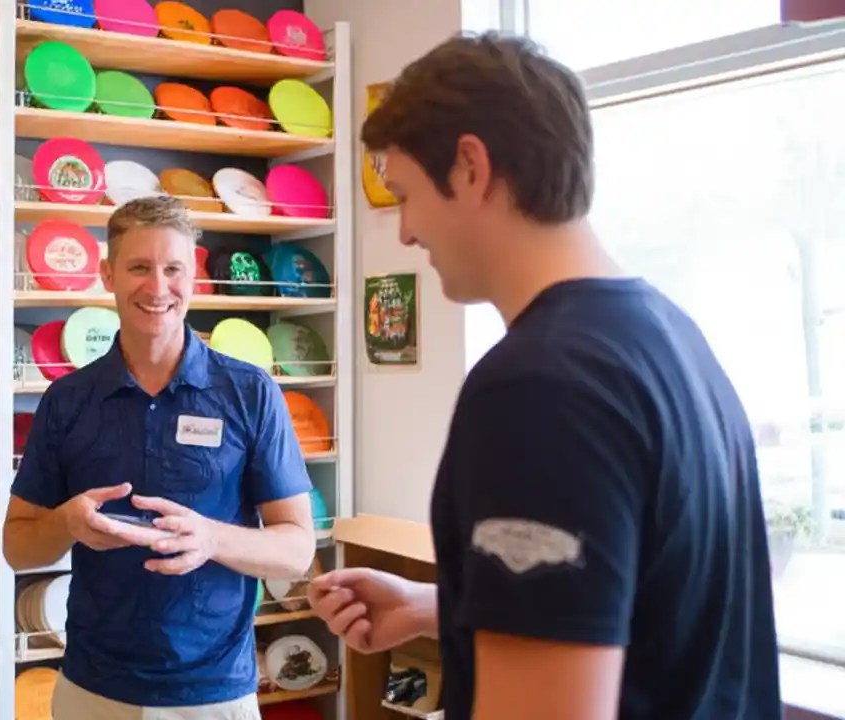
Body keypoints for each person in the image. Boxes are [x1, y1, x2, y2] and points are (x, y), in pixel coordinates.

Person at [308, 32, 780, 719]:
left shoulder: (537, 389)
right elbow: (651, 616)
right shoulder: (669, 336)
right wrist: (443, 607)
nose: (405, 231)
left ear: (470, 167)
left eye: (405, 195)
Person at [3, 195, 316, 719]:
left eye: (173, 269)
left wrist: (211, 538)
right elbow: (17, 546)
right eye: (138, 268)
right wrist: (66, 523)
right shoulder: (67, 401)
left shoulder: (250, 392)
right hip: (93, 689)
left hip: (214, 693)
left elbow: (297, 550)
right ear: (107, 274)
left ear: (193, 275)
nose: (157, 288)